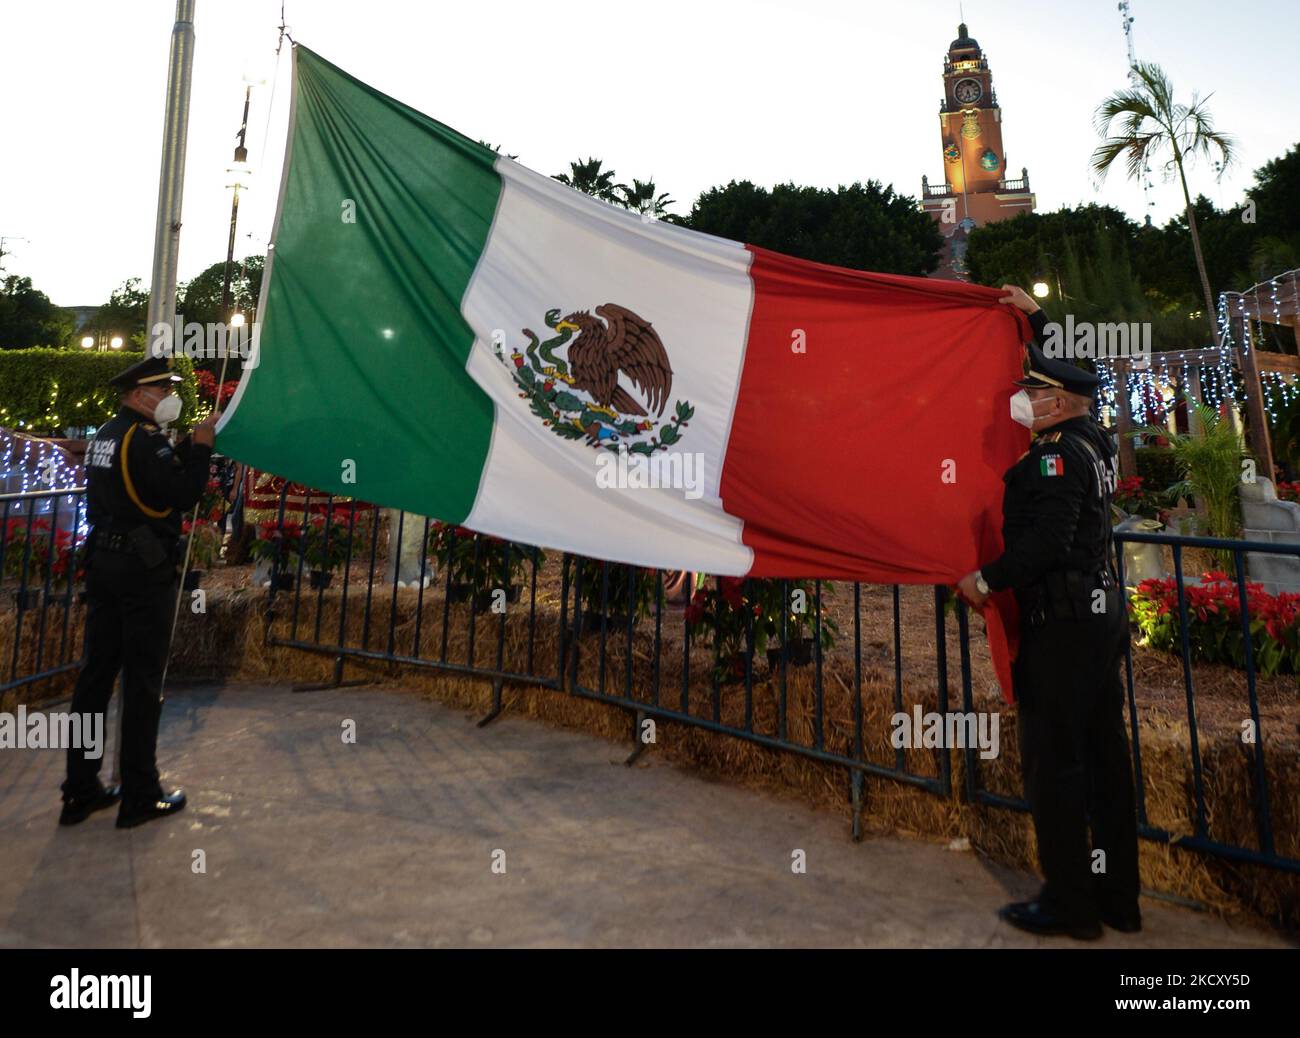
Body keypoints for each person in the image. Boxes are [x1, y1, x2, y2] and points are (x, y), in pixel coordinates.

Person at [957, 285, 1141, 941]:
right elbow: (1072, 361)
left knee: (1055, 765)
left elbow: (1045, 545)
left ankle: (1070, 904)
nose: (1025, 401)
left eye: (1034, 394)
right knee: (1105, 760)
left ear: (1058, 404)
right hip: (1100, 617)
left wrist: (986, 578)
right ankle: (1119, 897)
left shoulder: (1056, 457)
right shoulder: (1094, 438)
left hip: (1063, 629)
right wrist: (1035, 319)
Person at [60, 355, 219, 828]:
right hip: (141, 570)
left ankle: (80, 789)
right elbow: (182, 493)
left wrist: (186, 444)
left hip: (105, 563)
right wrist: (204, 448)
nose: (169, 396)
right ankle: (140, 794)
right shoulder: (145, 440)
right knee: (142, 682)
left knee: (93, 679)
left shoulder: (108, 435)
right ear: (136, 395)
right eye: (161, 389)